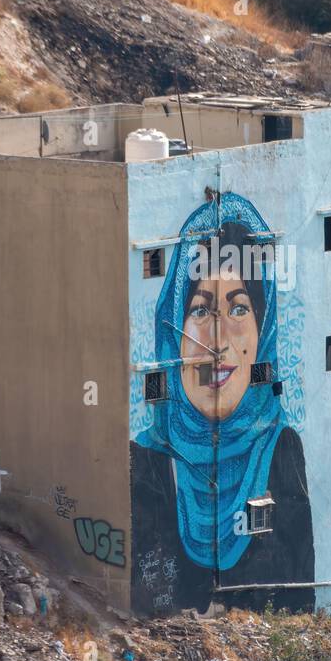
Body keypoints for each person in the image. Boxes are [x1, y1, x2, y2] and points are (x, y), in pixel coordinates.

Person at [130, 193, 313, 616]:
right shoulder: (145, 460)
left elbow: (302, 604)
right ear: (171, 332)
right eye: (199, 310)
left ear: (261, 332)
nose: (217, 342)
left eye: (239, 308)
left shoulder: (282, 450)